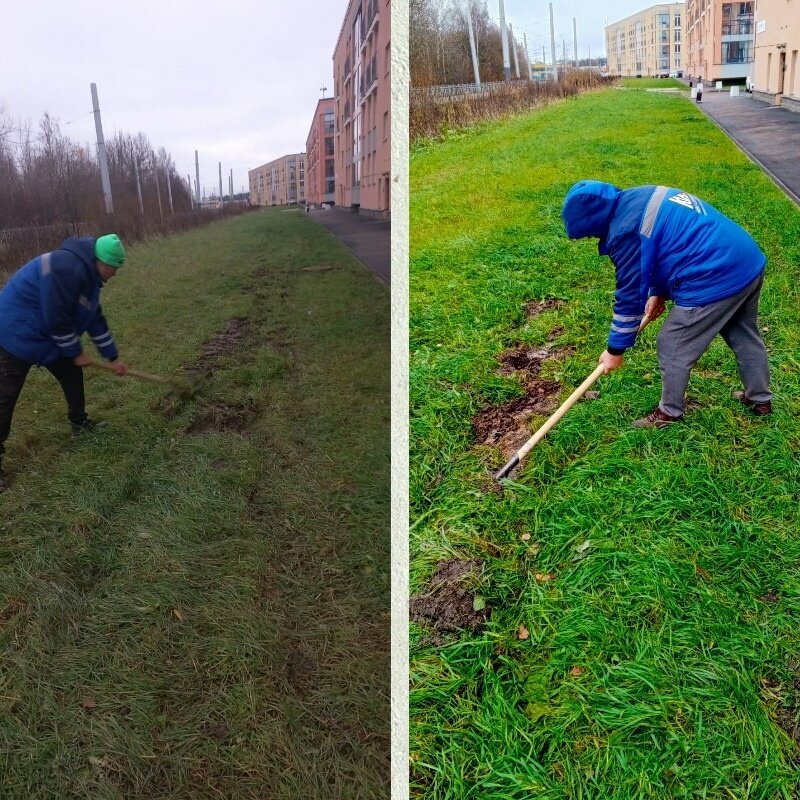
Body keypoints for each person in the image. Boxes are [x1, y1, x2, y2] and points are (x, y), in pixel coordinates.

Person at [561, 180, 772, 428]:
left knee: (672, 344)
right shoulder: (641, 195)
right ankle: (760, 400)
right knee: (743, 333)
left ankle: (669, 413)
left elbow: (630, 295)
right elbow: (664, 244)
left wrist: (615, 350)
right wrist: (658, 291)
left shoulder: (625, 231)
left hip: (714, 274)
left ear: (593, 222)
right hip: (746, 261)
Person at [0, 234, 129, 488]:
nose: (115, 273)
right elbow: (56, 319)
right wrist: (75, 352)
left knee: (71, 374)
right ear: (102, 261)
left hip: (45, 334)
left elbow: (94, 318)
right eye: (114, 267)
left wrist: (113, 357)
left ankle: (79, 423)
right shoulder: (65, 269)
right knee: (5, 397)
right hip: (14, 332)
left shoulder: (89, 276)